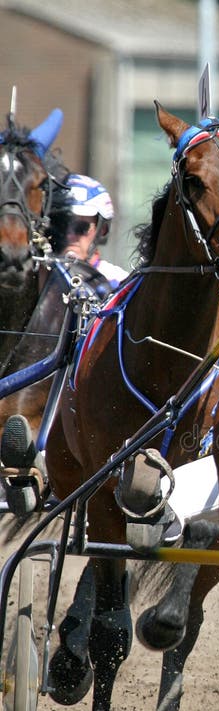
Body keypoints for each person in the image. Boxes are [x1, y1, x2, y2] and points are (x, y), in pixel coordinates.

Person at [0, 173, 128, 515]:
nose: (71, 236)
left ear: (100, 230)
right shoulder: (32, 276)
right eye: (62, 225)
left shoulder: (119, 281)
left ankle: (36, 466)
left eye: (81, 227)